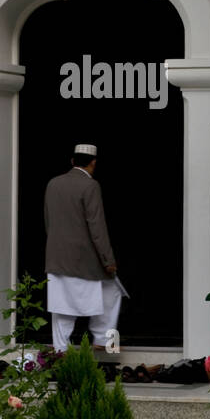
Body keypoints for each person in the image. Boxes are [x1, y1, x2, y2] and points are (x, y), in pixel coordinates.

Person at [43, 143, 126, 353]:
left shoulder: (53, 183)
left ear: (72, 161)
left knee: (61, 305)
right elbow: (96, 226)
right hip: (85, 260)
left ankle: (60, 348)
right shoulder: (91, 186)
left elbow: (47, 220)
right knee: (112, 291)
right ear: (93, 163)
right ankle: (103, 339)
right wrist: (108, 260)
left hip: (56, 257)